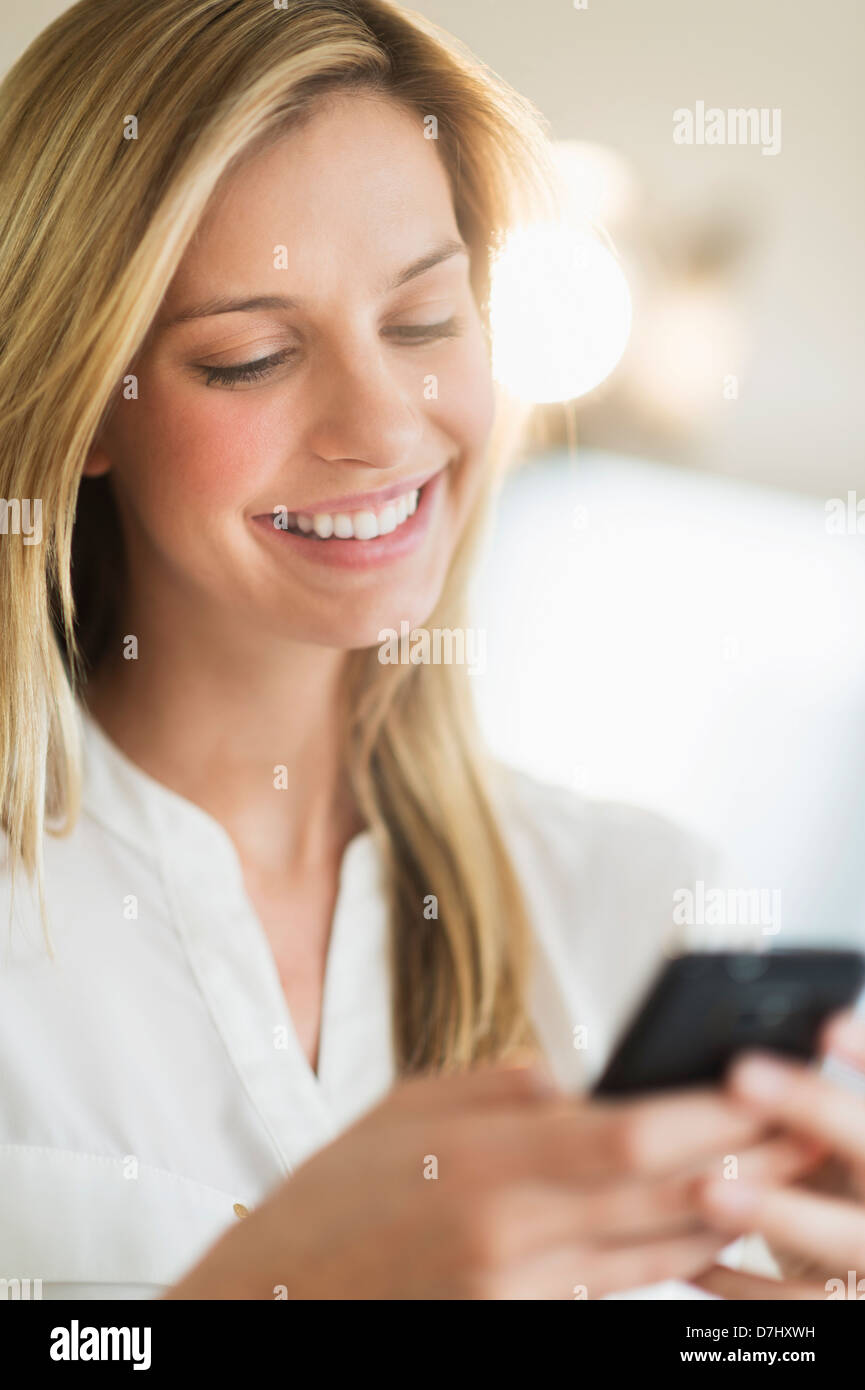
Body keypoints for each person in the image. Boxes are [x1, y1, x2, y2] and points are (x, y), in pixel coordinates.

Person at [0, 0, 861, 1301]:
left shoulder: (632, 905)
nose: (384, 425)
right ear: (84, 401)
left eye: (420, 324)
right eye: (251, 356)